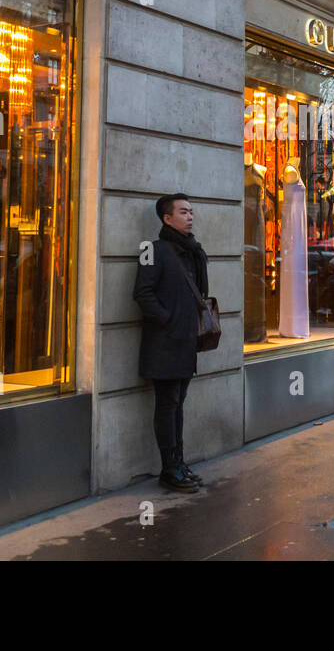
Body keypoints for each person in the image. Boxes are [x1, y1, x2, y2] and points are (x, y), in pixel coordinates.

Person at [132, 193, 208, 493]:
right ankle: (169, 469)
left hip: (186, 343)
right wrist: (168, 320)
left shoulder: (191, 252)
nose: (190, 216)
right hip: (164, 344)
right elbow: (142, 293)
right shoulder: (153, 250)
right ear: (167, 218)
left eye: (191, 211)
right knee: (167, 406)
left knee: (178, 406)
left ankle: (179, 462)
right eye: (183, 211)